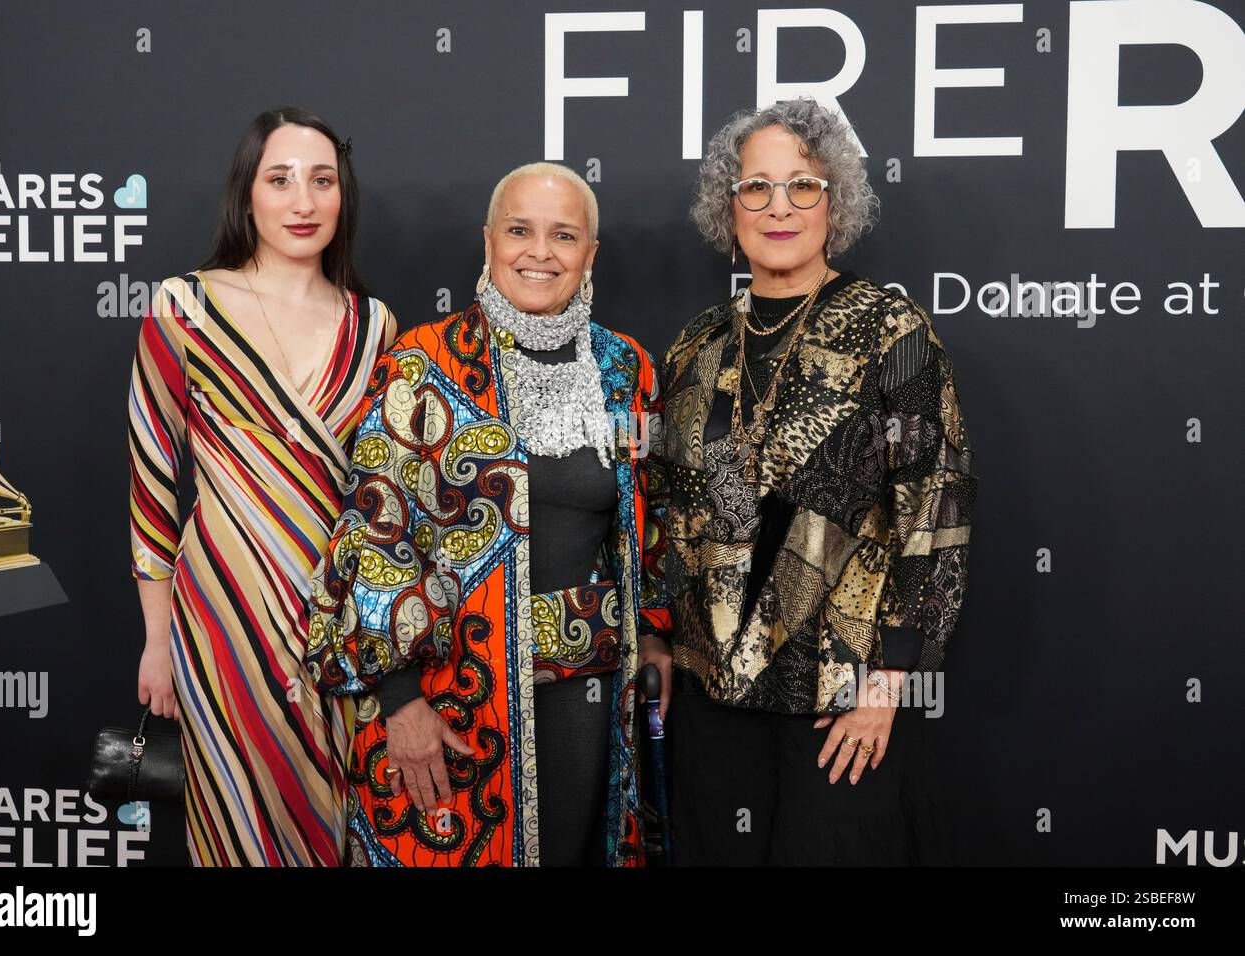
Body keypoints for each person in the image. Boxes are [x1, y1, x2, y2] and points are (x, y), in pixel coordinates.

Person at [305, 162, 671, 866]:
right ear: (488, 242)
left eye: (563, 235)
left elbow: (643, 524)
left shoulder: (627, 369)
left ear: (590, 253)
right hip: (449, 700)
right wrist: (400, 698)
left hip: (586, 697)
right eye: (519, 231)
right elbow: (378, 532)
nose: (540, 252)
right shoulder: (422, 364)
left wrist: (653, 636)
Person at [657, 98, 978, 865]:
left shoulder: (888, 329)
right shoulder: (696, 344)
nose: (779, 208)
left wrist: (889, 681)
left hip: (840, 698)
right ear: (726, 207)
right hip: (711, 698)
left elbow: (937, 505)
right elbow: (671, 509)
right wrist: (656, 638)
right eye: (755, 187)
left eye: (803, 186)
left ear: (835, 201)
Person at [129, 107, 397, 865]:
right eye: (280, 181)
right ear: (247, 194)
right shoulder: (184, 307)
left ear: (343, 196)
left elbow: (383, 494)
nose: (303, 202)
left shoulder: (374, 325)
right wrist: (156, 641)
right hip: (222, 612)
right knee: (233, 826)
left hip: (334, 620)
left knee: (323, 822)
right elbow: (152, 486)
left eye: (322, 181)